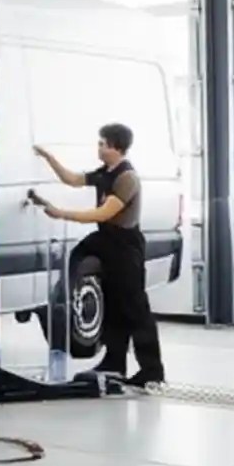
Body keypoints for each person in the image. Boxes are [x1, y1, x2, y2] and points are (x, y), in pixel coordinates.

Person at [32, 123, 166, 388]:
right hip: (106, 240)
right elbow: (72, 179)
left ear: (116, 147)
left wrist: (62, 214)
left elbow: (103, 214)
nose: (99, 147)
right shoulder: (106, 172)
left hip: (125, 246)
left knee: (135, 308)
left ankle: (152, 370)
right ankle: (114, 361)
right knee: (113, 304)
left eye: (102, 143)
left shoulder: (127, 178)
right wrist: (48, 158)